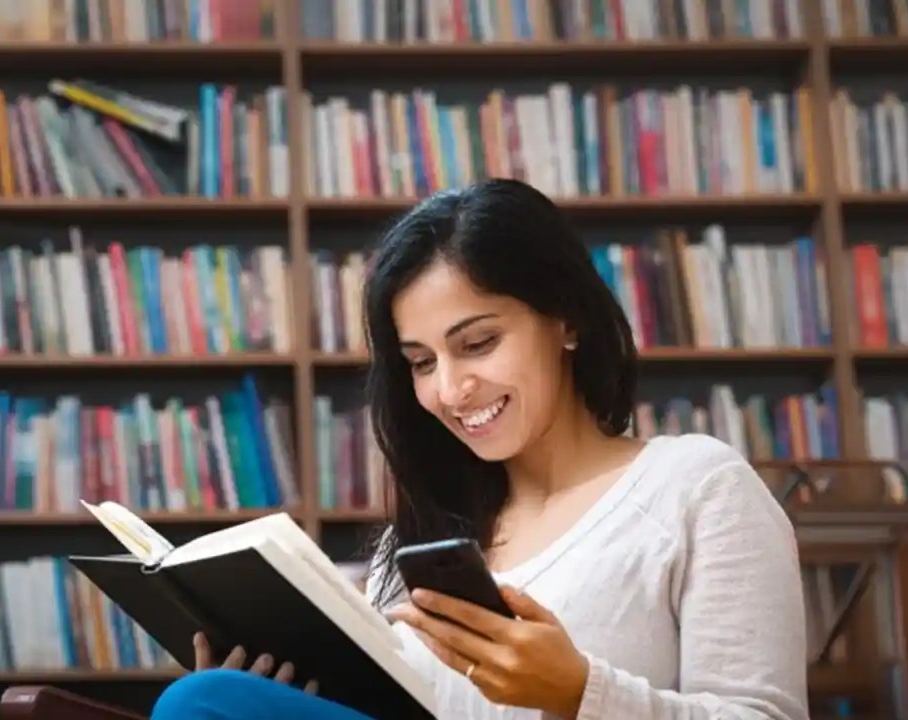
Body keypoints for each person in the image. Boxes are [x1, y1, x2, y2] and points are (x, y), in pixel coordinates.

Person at [151, 179, 809, 720]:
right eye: (419, 361)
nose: (450, 389)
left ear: (566, 319)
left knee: (195, 702)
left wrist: (580, 693)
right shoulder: (420, 539)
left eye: (477, 343)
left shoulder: (698, 487)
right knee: (210, 704)